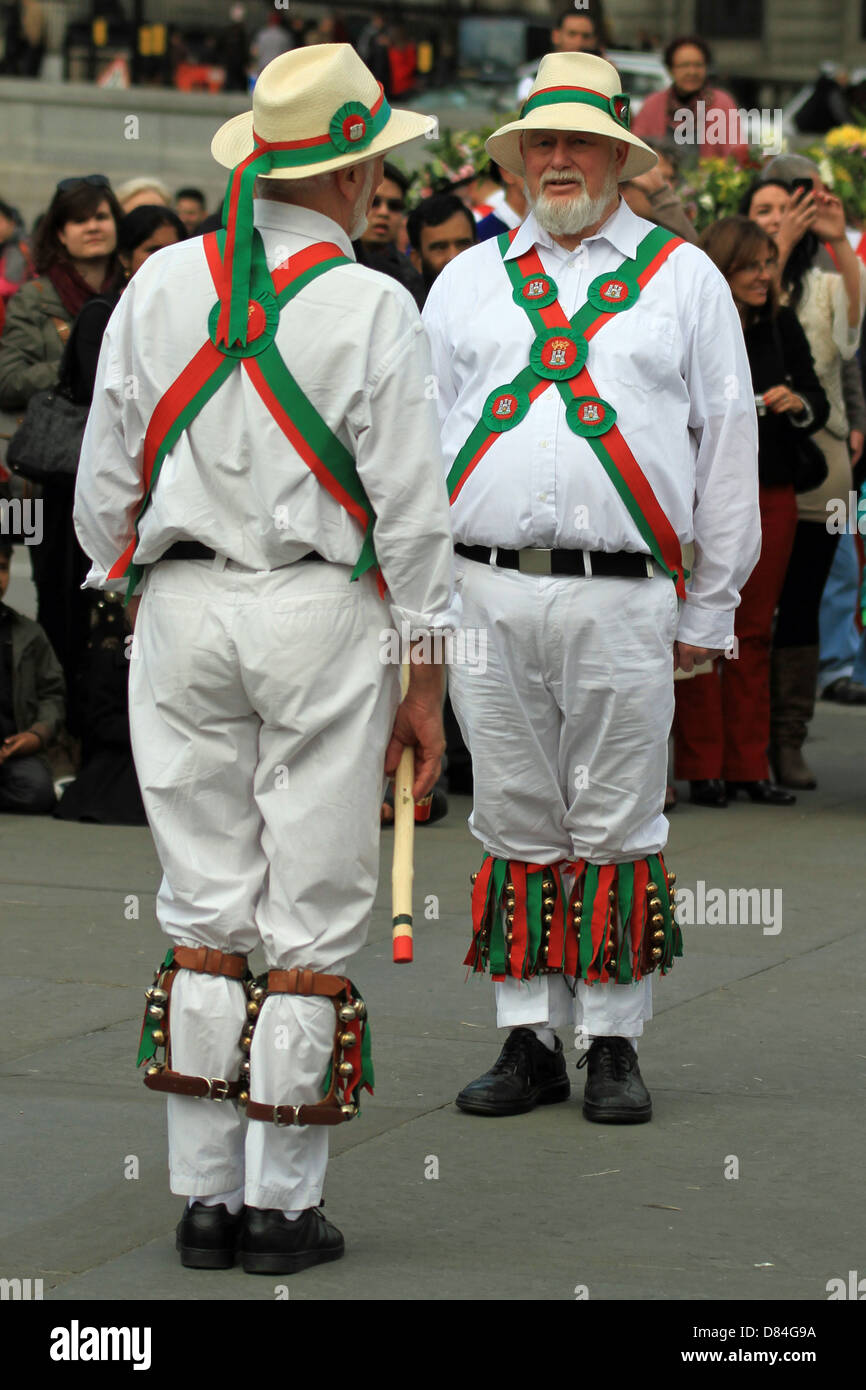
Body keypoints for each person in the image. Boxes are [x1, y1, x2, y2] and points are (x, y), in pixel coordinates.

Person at [74, 42, 458, 1274]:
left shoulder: (159, 283)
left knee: (202, 906)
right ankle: (281, 1209)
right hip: (316, 611)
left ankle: (197, 1198)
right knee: (309, 909)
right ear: (348, 179)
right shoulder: (374, 304)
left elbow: (101, 490)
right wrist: (427, 679)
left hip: (178, 608)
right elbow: (411, 515)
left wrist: (141, 579)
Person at [423, 51, 760, 1123]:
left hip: (625, 594)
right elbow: (416, 444)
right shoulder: (465, 278)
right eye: (539, 143)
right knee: (514, 812)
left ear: (619, 154)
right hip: (483, 588)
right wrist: (418, 609)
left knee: (615, 818)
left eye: (578, 142)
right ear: (516, 160)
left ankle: (611, 1037)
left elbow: (725, 444)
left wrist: (711, 604)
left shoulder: (683, 277)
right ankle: (526, 1035)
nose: (556, 159)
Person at [673, 216, 828, 807]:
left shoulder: (779, 325)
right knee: (696, 631)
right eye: (752, 265)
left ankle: (747, 765)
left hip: (773, 490)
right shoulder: (691, 319)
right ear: (722, 268)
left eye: (769, 263)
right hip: (699, 492)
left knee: (752, 633)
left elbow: (817, 396)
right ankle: (702, 766)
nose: (765, 275)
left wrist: (794, 403)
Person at [743, 172, 866, 787]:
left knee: (803, 602)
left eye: (785, 210)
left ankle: (788, 741)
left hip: (821, 461)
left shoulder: (821, 285)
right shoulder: (736, 285)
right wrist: (779, 248)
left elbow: (853, 332)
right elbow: (760, 314)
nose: (775, 218)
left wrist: (838, 239)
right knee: (751, 605)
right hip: (756, 468)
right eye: (763, 210)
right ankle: (748, 744)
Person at [0, 176, 123, 727]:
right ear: (60, 232)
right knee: (57, 593)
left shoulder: (136, 289)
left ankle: (103, 725)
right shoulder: (36, 295)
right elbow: (7, 377)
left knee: (114, 601)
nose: (94, 226)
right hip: (52, 476)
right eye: (80, 219)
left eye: (102, 215)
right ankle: (59, 724)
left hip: (120, 466)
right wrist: (81, 361)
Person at [0, 541, 66, 814]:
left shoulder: (29, 634)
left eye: (2, 568)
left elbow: (53, 694)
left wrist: (36, 735)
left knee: (37, 791)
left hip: (12, 753)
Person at [631, 35, 748, 164]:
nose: (692, 72)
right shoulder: (652, 104)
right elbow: (637, 151)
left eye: (698, 65)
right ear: (671, 70)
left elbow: (735, 153)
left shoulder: (722, 104)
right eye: (684, 65)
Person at [352, 161, 425, 308]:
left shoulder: (408, 275)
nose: (384, 213)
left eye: (394, 206)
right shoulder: (332, 260)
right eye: (374, 202)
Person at [516, 7, 604, 104]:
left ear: (594, 40)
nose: (579, 42)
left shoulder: (603, 77)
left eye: (586, 36)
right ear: (556, 36)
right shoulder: (534, 79)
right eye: (572, 34)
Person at [407, 193, 476, 294]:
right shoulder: (408, 307)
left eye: (463, 244)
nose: (453, 256)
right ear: (417, 259)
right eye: (440, 247)